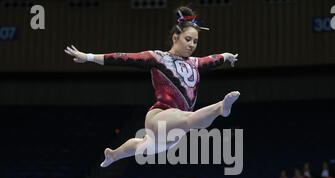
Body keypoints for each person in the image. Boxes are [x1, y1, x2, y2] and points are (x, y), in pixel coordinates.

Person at [65, 7, 240, 168]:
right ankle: (220, 108)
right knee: (190, 120)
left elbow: (214, 59)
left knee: (143, 145)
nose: (192, 45)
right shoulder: (158, 58)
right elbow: (122, 58)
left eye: (195, 41)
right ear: (175, 37)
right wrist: (87, 56)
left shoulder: (195, 63)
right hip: (160, 116)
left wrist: (227, 56)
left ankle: (113, 155)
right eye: (188, 39)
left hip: (173, 133)